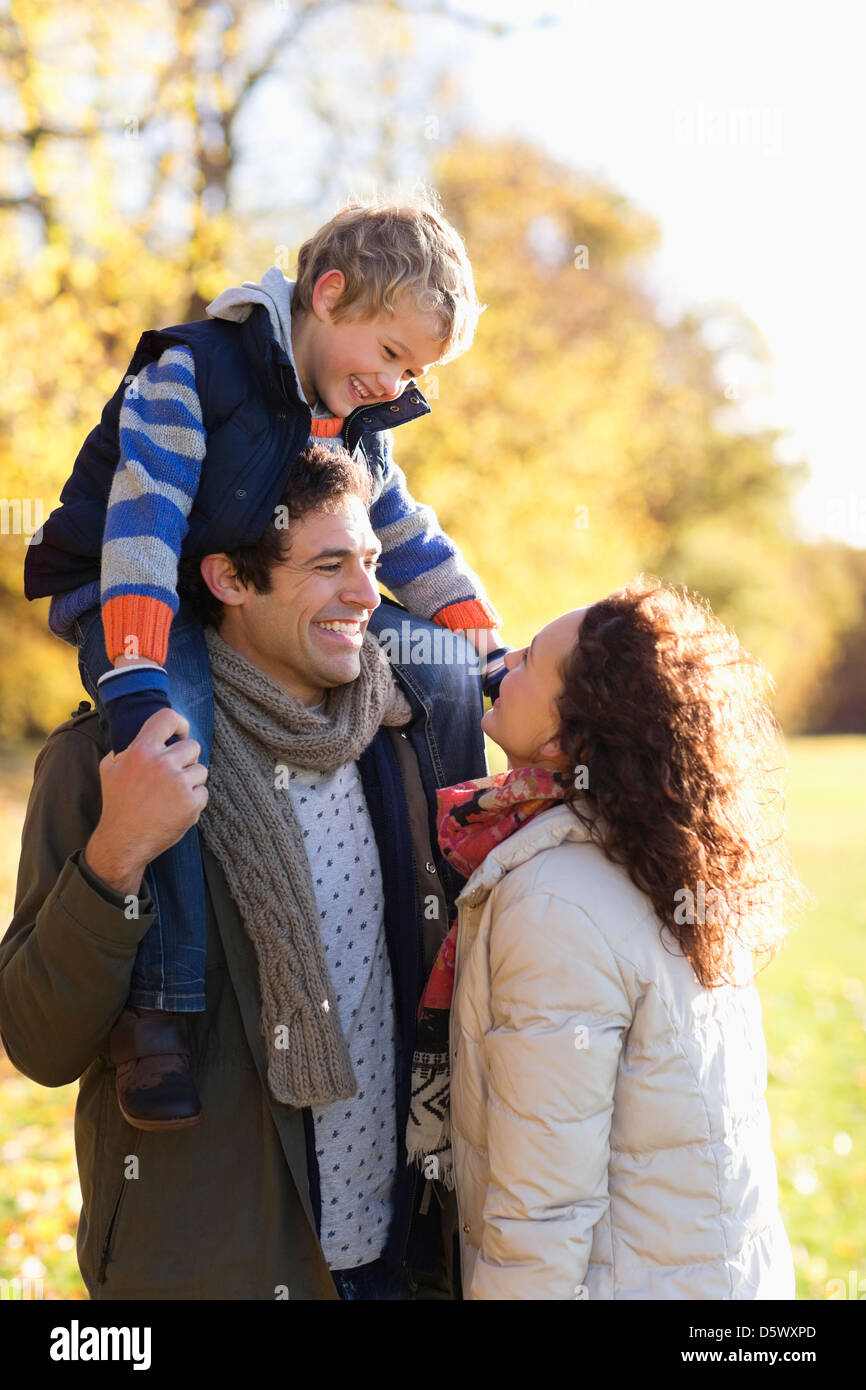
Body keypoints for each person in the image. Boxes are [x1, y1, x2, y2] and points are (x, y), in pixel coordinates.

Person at [22, 194, 510, 1129]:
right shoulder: (193, 370)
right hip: (130, 585)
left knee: (443, 668)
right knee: (177, 741)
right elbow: (144, 526)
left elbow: (404, 534)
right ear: (327, 295)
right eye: (395, 355)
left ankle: (454, 883)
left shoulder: (351, 417)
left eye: (419, 369)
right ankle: (159, 1009)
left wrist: (485, 643)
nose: (400, 382)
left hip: (243, 590)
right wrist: (135, 685)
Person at [1, 444, 483, 1300]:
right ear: (229, 578)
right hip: (210, 1273)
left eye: (370, 563)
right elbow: (39, 1043)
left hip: (404, 1267)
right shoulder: (111, 761)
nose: (367, 596)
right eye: (328, 566)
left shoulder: (407, 739)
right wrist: (118, 851)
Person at [408, 578, 808, 1299]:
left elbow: (542, 1211)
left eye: (529, 660)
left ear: (565, 738)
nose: (500, 665)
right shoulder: (675, 858)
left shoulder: (555, 902)